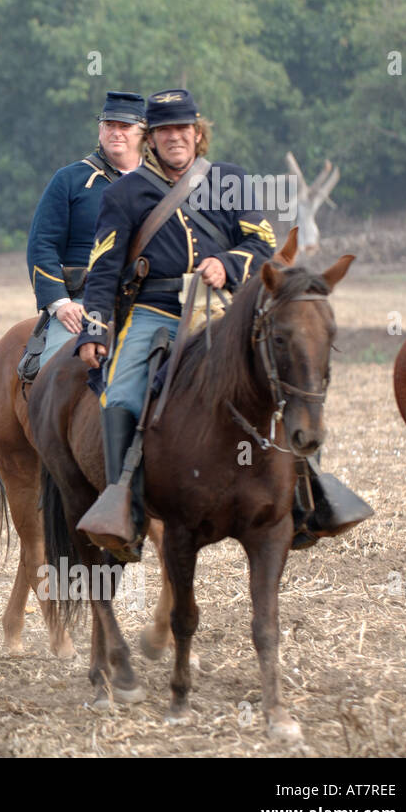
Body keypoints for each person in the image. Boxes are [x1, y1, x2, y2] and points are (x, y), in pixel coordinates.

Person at [75, 89, 275, 554]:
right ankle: (125, 505)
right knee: (119, 394)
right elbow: (104, 268)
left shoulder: (230, 180)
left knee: (285, 375)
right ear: (151, 138)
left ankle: (308, 497)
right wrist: (95, 328)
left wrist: (227, 262)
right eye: (164, 130)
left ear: (197, 132)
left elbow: (264, 246)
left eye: (182, 129)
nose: (175, 138)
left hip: (224, 311)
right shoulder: (124, 192)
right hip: (155, 310)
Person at [23, 92, 145, 370]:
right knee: (55, 371)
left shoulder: (160, 184)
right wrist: (61, 304)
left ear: (144, 133)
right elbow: (42, 245)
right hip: (82, 302)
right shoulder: (69, 179)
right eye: (109, 125)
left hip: (146, 301)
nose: (116, 133)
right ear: (100, 130)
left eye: (125, 127)